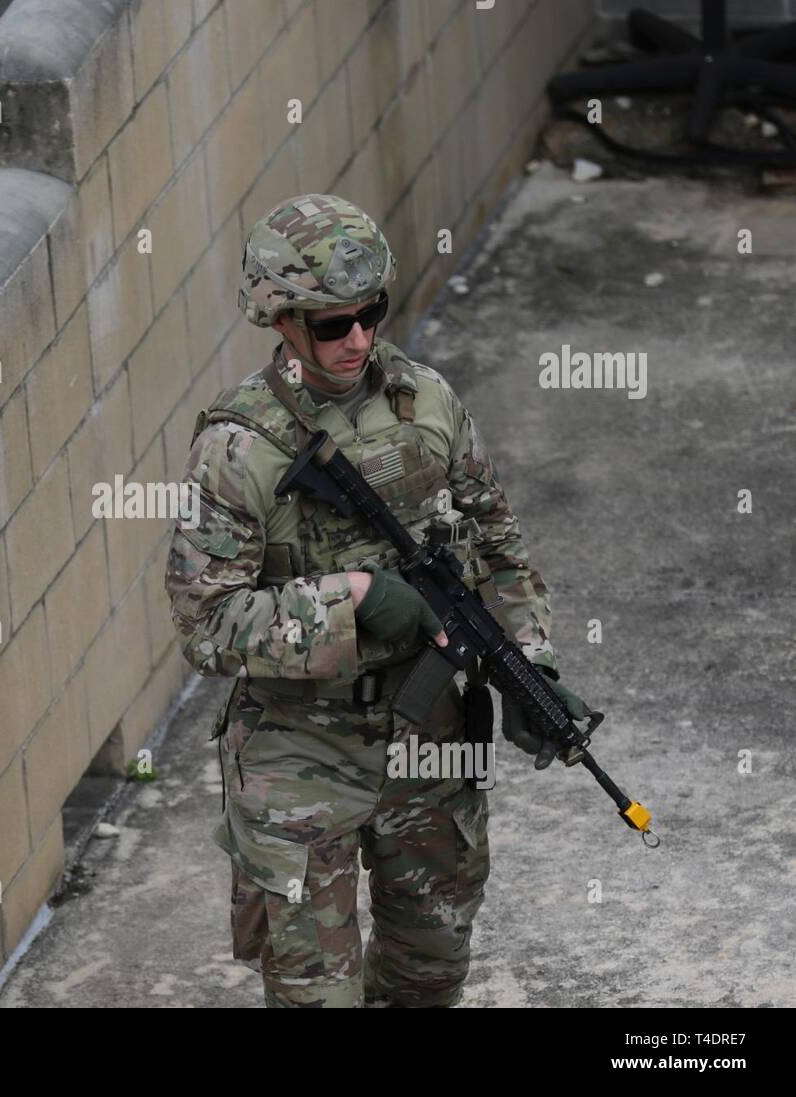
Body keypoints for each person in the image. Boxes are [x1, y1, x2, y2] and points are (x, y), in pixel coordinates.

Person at [163, 194, 591, 1008]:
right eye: (332, 324)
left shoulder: (426, 405)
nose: (358, 338)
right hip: (298, 750)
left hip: (427, 740)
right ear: (282, 318)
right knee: (316, 993)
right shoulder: (237, 449)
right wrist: (351, 599)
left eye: (372, 313)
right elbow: (205, 622)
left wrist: (530, 664)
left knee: (430, 974)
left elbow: (500, 546)